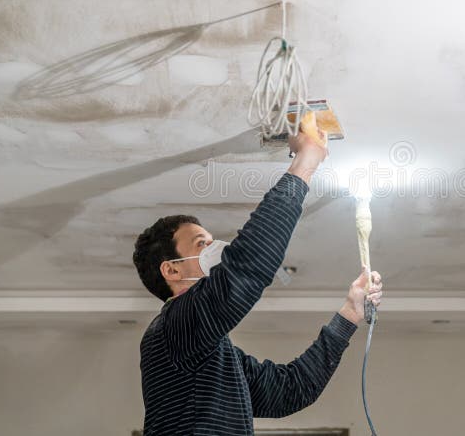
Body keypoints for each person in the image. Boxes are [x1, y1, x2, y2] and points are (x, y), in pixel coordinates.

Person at [132, 127, 384, 435]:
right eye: (201, 244)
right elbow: (248, 265)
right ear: (171, 270)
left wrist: (349, 314)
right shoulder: (172, 330)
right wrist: (304, 165)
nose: (215, 248)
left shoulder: (210, 351)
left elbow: (292, 390)